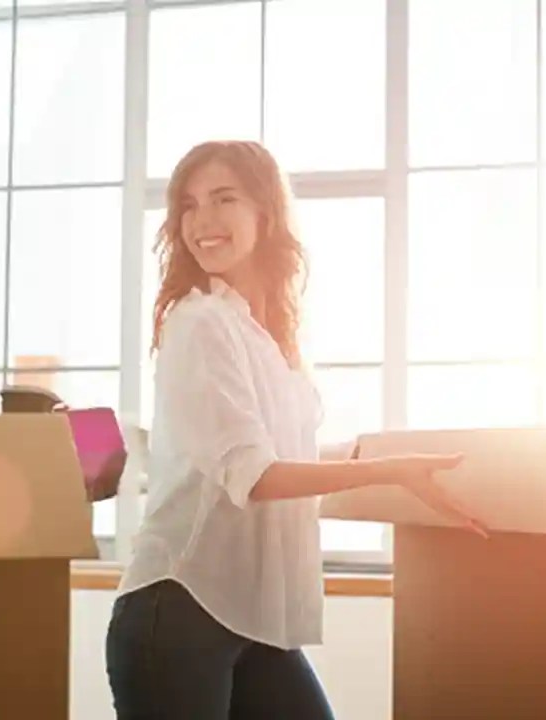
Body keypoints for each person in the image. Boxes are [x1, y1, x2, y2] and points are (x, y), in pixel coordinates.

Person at [105, 140, 487, 719]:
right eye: (189, 204)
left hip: (254, 613)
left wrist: (381, 456)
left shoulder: (271, 338)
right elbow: (253, 475)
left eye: (223, 198)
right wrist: (388, 471)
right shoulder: (200, 323)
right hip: (180, 605)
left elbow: (285, 453)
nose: (201, 221)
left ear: (266, 211)